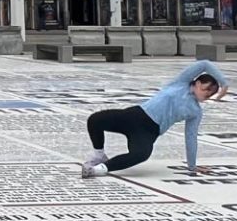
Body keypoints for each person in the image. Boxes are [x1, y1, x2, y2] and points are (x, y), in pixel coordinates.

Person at [82, 61, 229, 178]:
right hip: (135, 115)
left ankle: (100, 169)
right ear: (197, 83)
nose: (207, 94)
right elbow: (204, 64)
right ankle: (98, 155)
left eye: (211, 94)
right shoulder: (180, 83)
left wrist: (192, 165)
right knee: (95, 120)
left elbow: (191, 137)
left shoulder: (196, 111)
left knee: (141, 154)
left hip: (149, 131)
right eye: (206, 89)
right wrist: (224, 83)